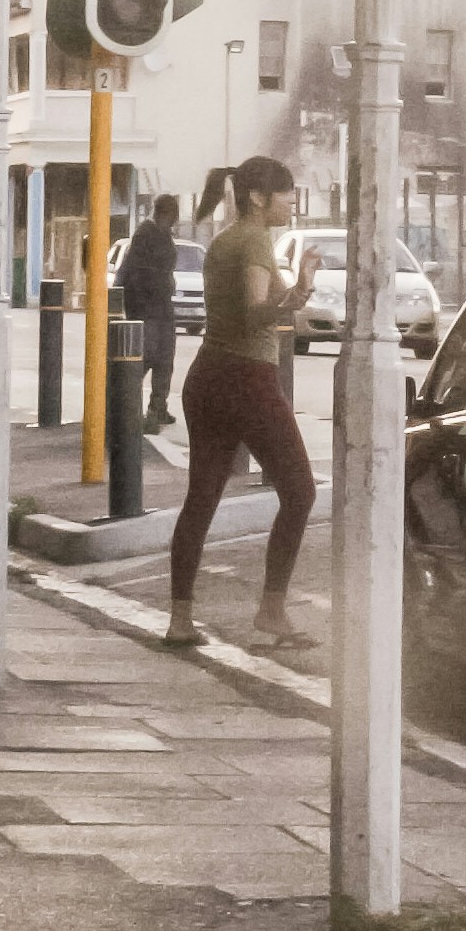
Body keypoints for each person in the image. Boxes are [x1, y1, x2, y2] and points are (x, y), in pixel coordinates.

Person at [167, 154, 313, 647]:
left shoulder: (223, 241)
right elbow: (255, 315)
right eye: (286, 192)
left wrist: (300, 292)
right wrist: (290, 300)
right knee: (299, 491)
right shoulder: (253, 239)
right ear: (258, 197)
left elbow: (248, 309)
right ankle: (272, 610)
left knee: (201, 498)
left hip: (207, 376)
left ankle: (180, 620)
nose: (292, 201)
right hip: (247, 378)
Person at [113, 182, 183, 437]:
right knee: (147, 358)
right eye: (174, 215)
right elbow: (138, 273)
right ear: (167, 214)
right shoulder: (147, 235)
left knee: (164, 358)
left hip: (158, 305)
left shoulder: (157, 234)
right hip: (148, 307)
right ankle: (130, 407)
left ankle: (157, 407)